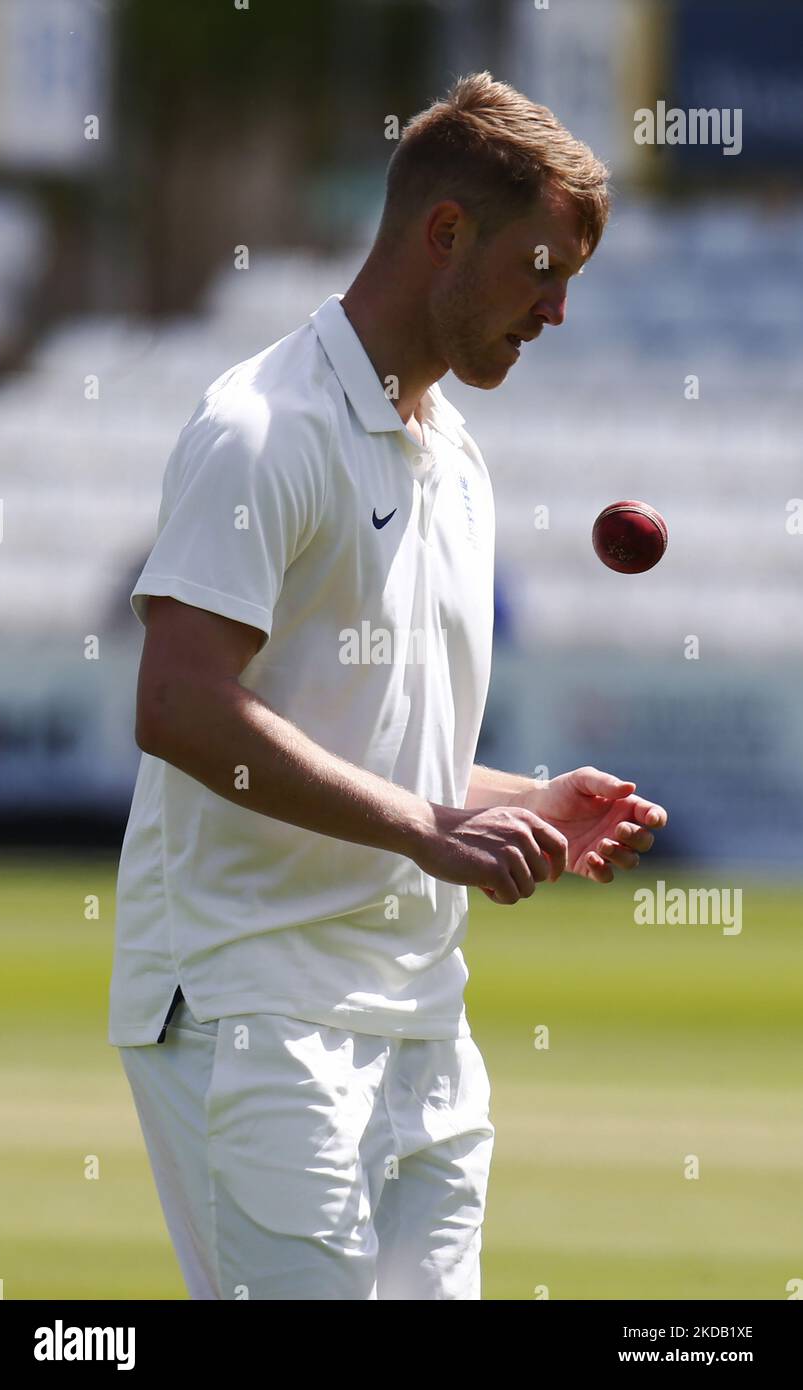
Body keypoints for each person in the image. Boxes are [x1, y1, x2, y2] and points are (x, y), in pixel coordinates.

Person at [110, 70, 667, 1301]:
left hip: (420, 1016)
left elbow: (376, 751)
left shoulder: (454, 456)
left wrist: (522, 801)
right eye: (542, 270)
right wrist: (428, 829)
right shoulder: (261, 427)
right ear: (446, 233)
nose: (559, 311)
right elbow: (180, 705)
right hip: (253, 1003)